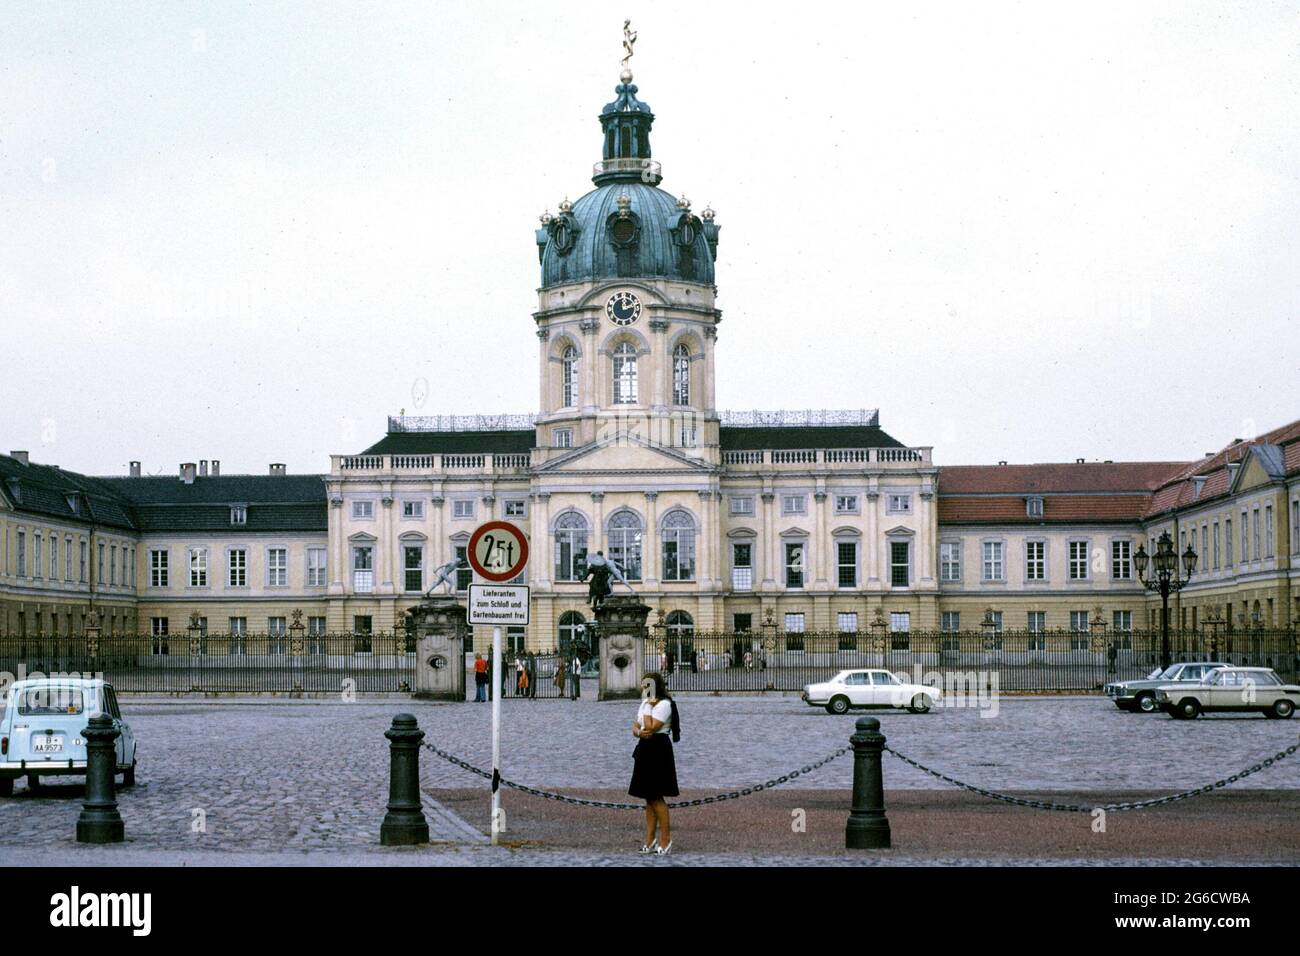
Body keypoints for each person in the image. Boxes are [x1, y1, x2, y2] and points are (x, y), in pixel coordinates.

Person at [628, 671, 680, 856]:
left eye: (646, 685)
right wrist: (638, 732)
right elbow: (636, 725)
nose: (643, 689)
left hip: (658, 749)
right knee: (648, 797)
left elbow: (651, 727)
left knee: (657, 797)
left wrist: (648, 711)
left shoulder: (664, 705)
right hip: (645, 748)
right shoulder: (645, 703)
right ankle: (650, 840)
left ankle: (666, 840)